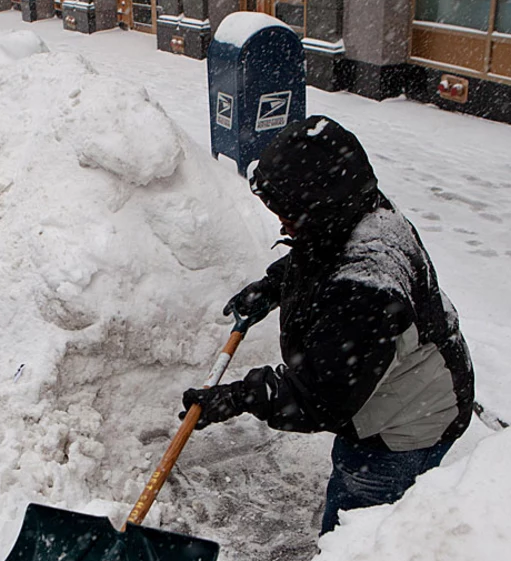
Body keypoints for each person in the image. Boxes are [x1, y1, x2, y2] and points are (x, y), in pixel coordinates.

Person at [181, 115, 475, 534]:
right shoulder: (352, 213)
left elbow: (321, 398)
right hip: (402, 387)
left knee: (357, 531)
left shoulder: (367, 289)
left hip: (409, 421)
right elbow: (319, 257)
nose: (281, 223)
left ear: (318, 208)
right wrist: (272, 286)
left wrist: (243, 395)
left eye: (288, 213)